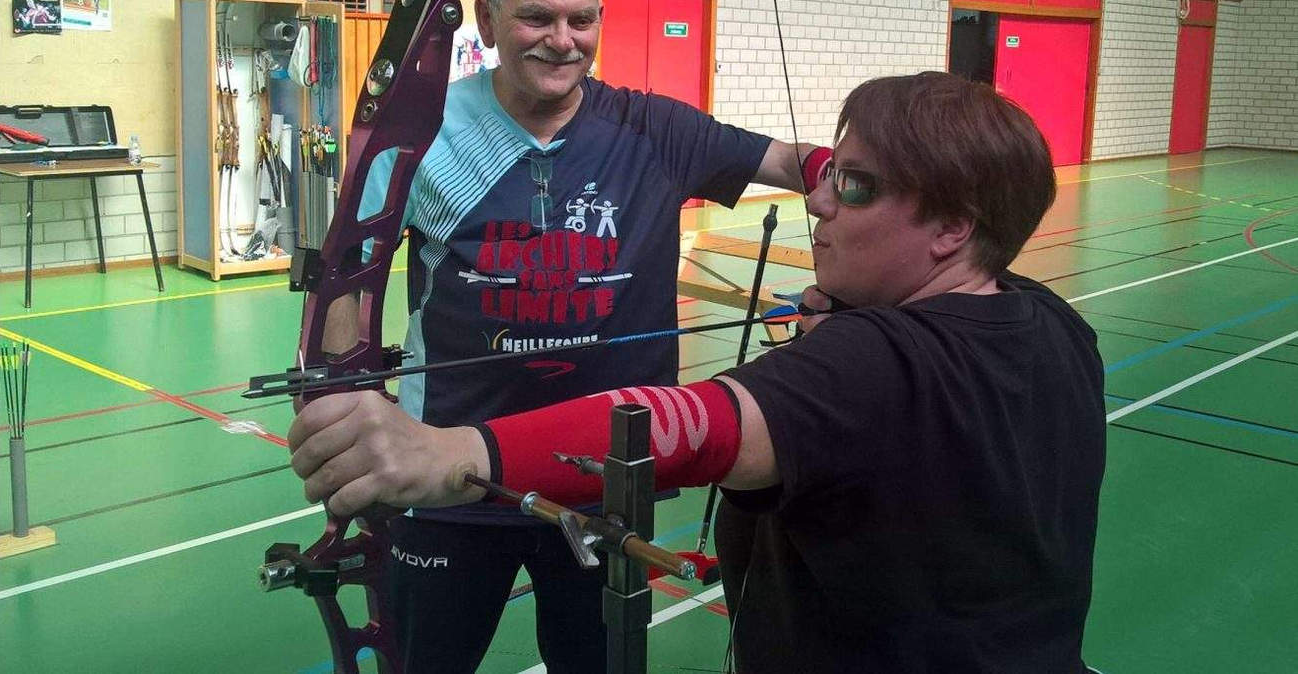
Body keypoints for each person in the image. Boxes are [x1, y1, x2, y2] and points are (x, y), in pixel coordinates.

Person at [295, 71, 1106, 673]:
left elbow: (686, 428)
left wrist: (450, 454)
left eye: (854, 187)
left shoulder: (867, 362)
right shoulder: (1057, 324)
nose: (820, 203)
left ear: (952, 227)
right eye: (830, 177)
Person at [330, 0, 820, 673]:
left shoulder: (654, 129)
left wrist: (886, 162)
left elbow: (792, 163)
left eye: (581, 20)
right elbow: (349, 282)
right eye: (537, 19)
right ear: (489, 23)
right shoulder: (419, 136)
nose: (563, 41)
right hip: (449, 477)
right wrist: (343, 406)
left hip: (605, 481)